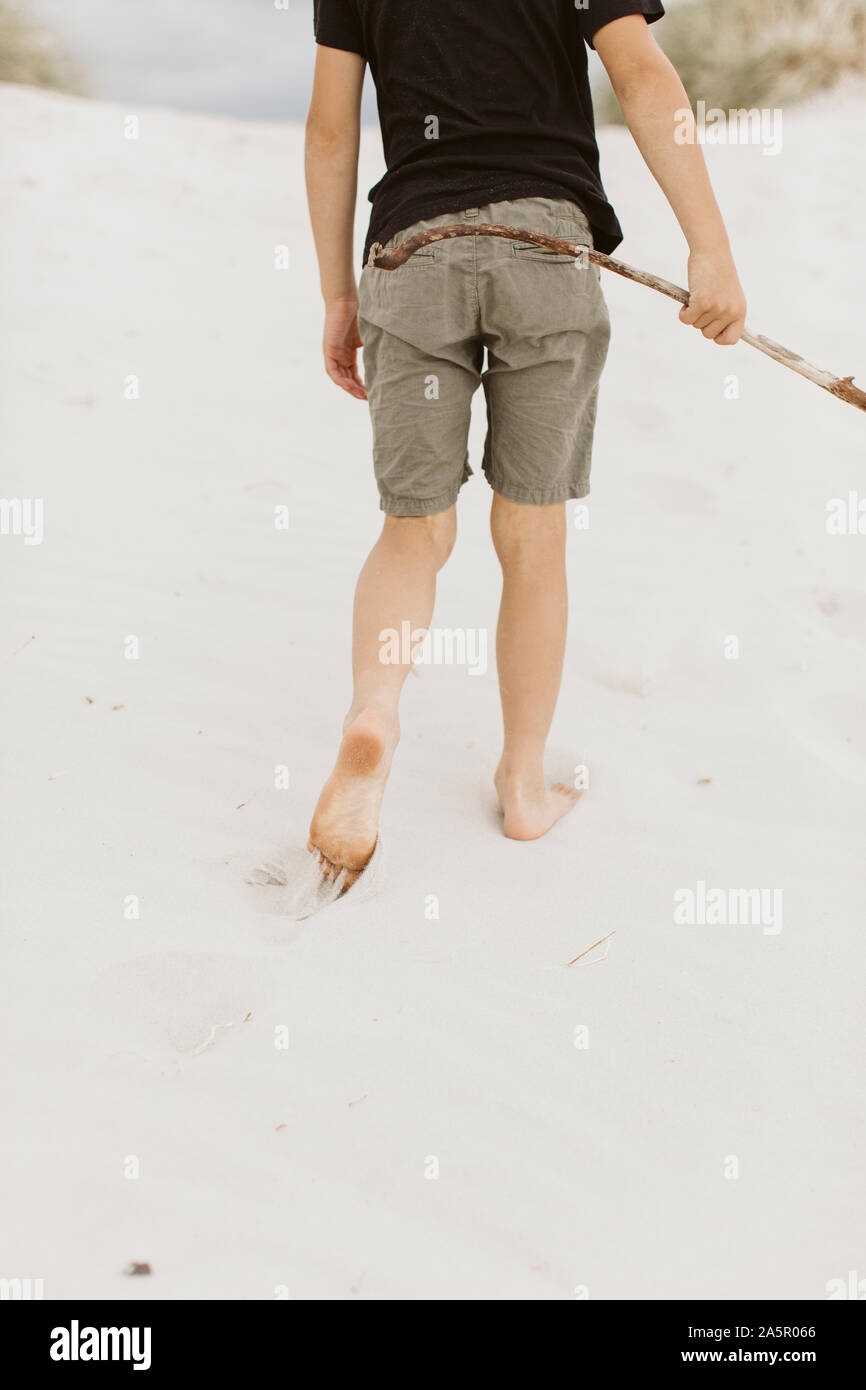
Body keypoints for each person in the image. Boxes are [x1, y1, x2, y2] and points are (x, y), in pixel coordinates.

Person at [304, 0, 746, 887]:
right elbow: (643, 73)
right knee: (532, 529)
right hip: (544, 245)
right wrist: (711, 249)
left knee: (415, 528)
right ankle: (522, 782)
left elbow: (327, 132)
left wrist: (338, 297)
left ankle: (376, 709)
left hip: (412, 251)